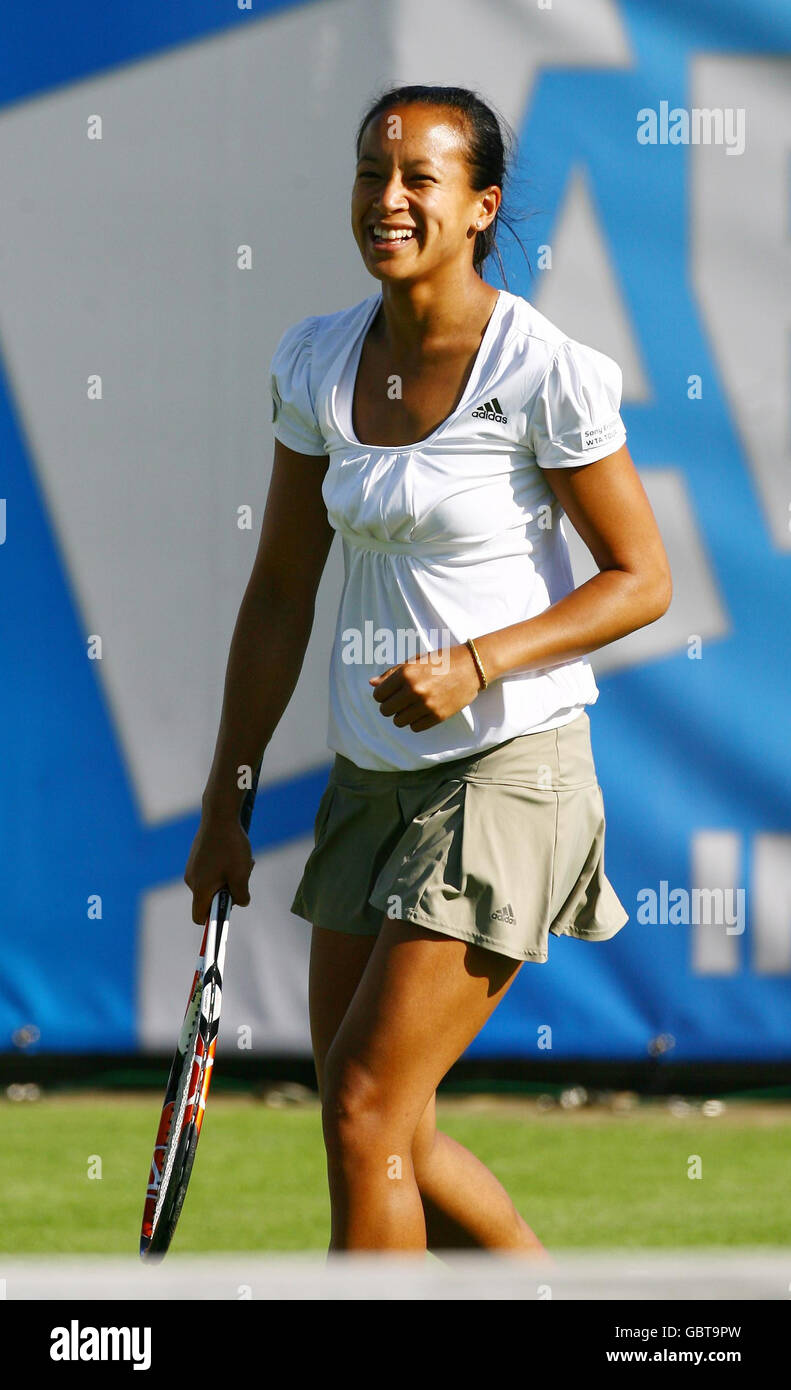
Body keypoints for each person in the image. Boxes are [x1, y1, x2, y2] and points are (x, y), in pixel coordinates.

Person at [185, 83, 672, 1256]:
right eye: (370, 173)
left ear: (478, 208)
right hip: (370, 783)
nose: (388, 198)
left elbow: (638, 576)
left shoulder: (540, 367)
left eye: (419, 180)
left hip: (508, 773)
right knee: (383, 1126)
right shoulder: (313, 361)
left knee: (363, 1109)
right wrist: (227, 795)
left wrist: (477, 661)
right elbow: (278, 596)